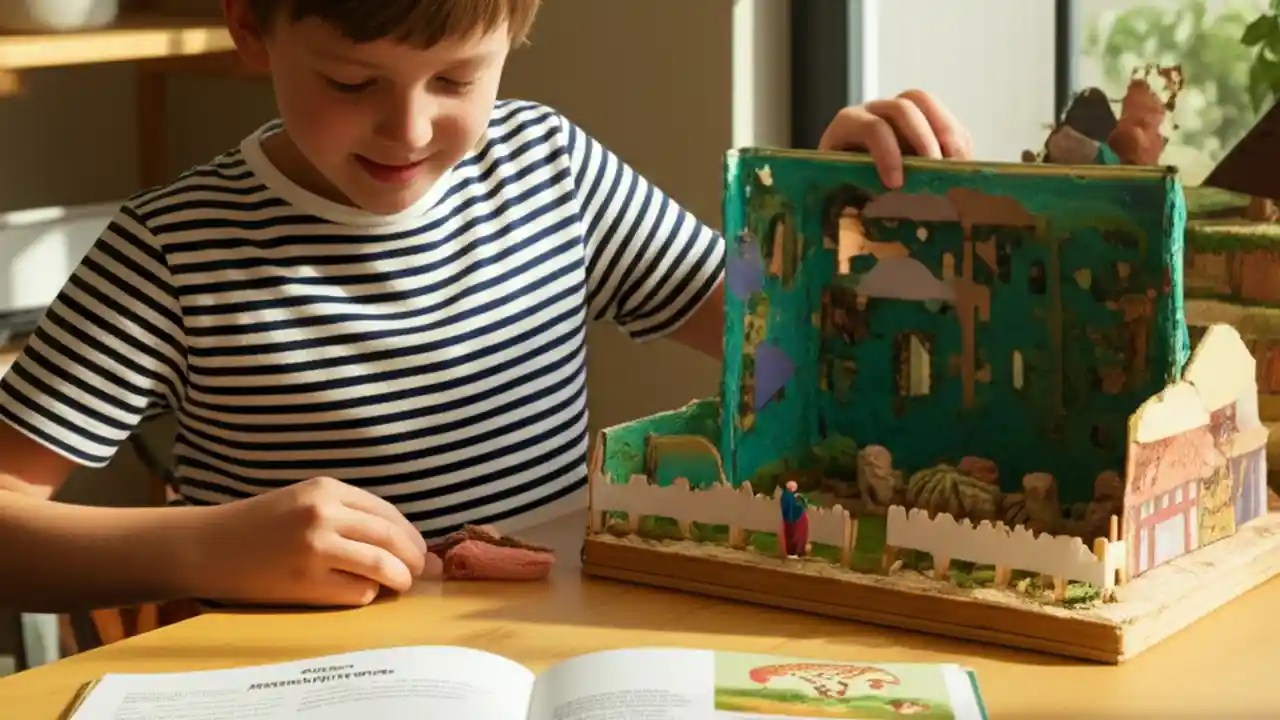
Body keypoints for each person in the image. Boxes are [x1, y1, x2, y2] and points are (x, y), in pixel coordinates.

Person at [0, 0, 974, 613]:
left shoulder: (551, 173)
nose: (409, 127)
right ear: (251, 24)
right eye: (352, 81)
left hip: (547, 660)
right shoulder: (173, 251)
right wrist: (213, 547)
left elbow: (788, 356)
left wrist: (828, 205)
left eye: (457, 78)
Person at [779, 479, 809, 558]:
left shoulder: (786, 495)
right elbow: (795, 508)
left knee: (792, 534)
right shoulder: (789, 496)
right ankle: (795, 552)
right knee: (796, 534)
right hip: (794, 521)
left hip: (790, 520)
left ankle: (793, 552)